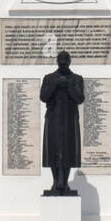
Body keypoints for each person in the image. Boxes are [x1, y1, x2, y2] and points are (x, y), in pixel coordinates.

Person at [40, 50, 84, 195]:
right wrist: (55, 85)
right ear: (57, 62)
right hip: (53, 118)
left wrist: (68, 86)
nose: (63, 63)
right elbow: (43, 97)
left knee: (68, 151)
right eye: (60, 61)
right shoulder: (49, 78)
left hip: (69, 119)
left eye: (65, 61)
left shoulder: (77, 78)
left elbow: (80, 98)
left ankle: (64, 183)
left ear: (69, 62)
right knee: (53, 150)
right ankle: (55, 181)